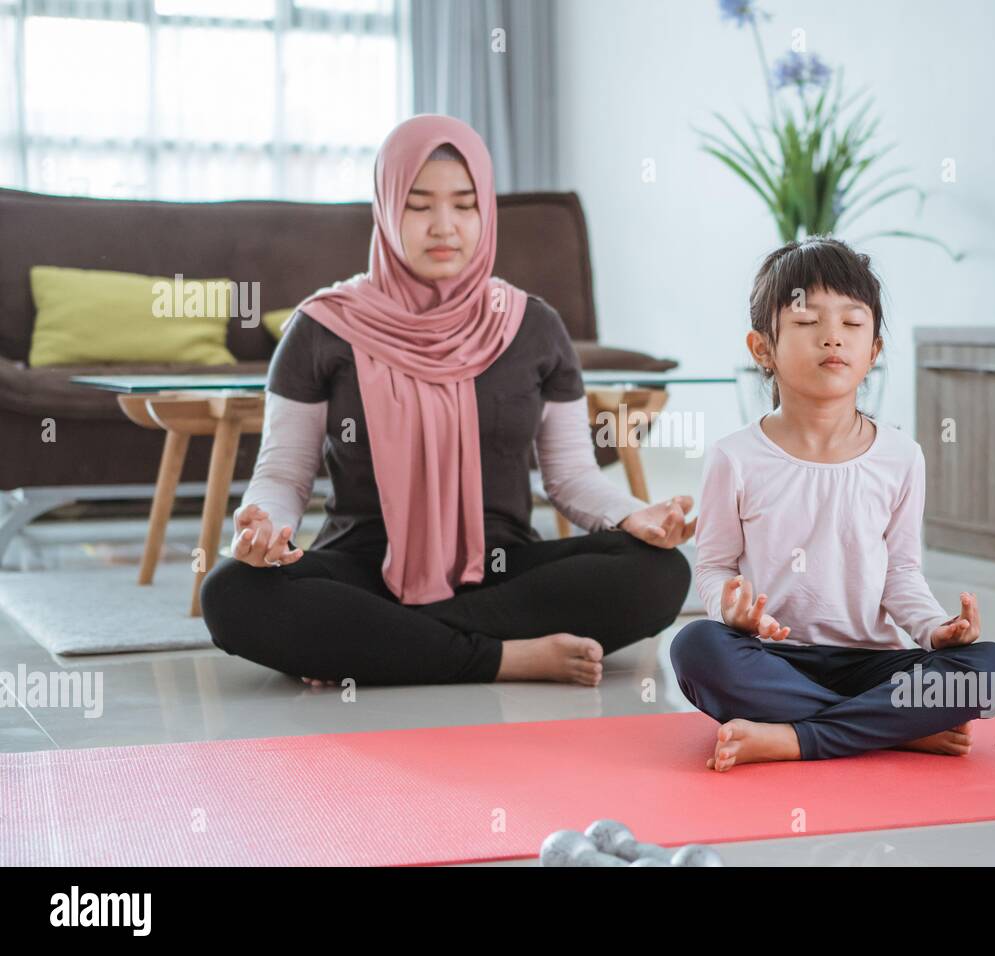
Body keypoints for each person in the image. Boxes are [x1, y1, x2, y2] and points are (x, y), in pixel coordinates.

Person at [200, 114, 693, 687]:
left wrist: (635, 513)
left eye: (464, 204)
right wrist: (265, 527)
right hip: (364, 565)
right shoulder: (322, 327)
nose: (444, 226)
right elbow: (284, 475)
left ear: (486, 209)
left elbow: (570, 478)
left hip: (502, 565)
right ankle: (506, 657)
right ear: (386, 207)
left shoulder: (532, 325)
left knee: (659, 573)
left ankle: (378, 644)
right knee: (232, 593)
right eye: (418, 205)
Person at [670, 236, 995, 771]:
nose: (832, 337)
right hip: (773, 661)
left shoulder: (902, 455)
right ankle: (892, 729)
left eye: (852, 324)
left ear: (873, 350)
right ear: (763, 348)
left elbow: (901, 572)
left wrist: (933, 629)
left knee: (994, 669)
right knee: (695, 648)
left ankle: (794, 737)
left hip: (873, 663)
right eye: (809, 323)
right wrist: (729, 609)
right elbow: (715, 567)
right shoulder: (733, 457)